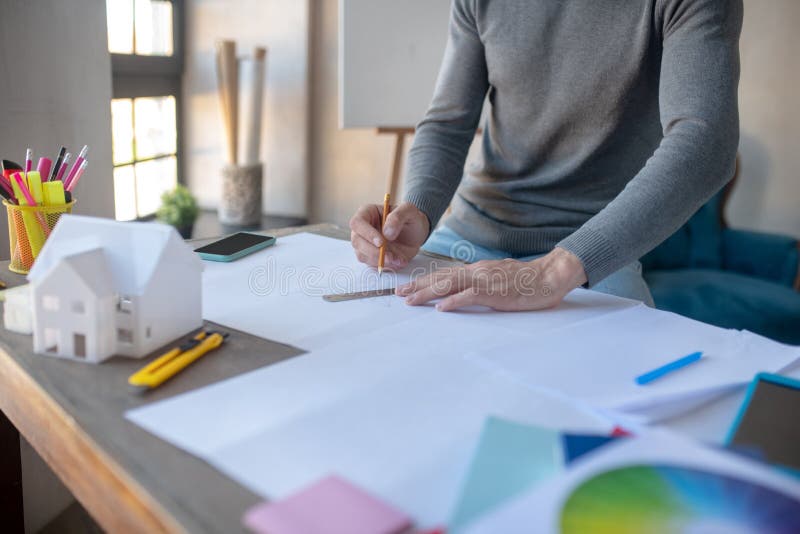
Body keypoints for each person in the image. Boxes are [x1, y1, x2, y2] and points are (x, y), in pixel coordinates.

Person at [350, 0, 742, 312]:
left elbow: (705, 142)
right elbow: (448, 124)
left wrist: (552, 271)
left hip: (586, 258)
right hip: (470, 232)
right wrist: (417, 212)